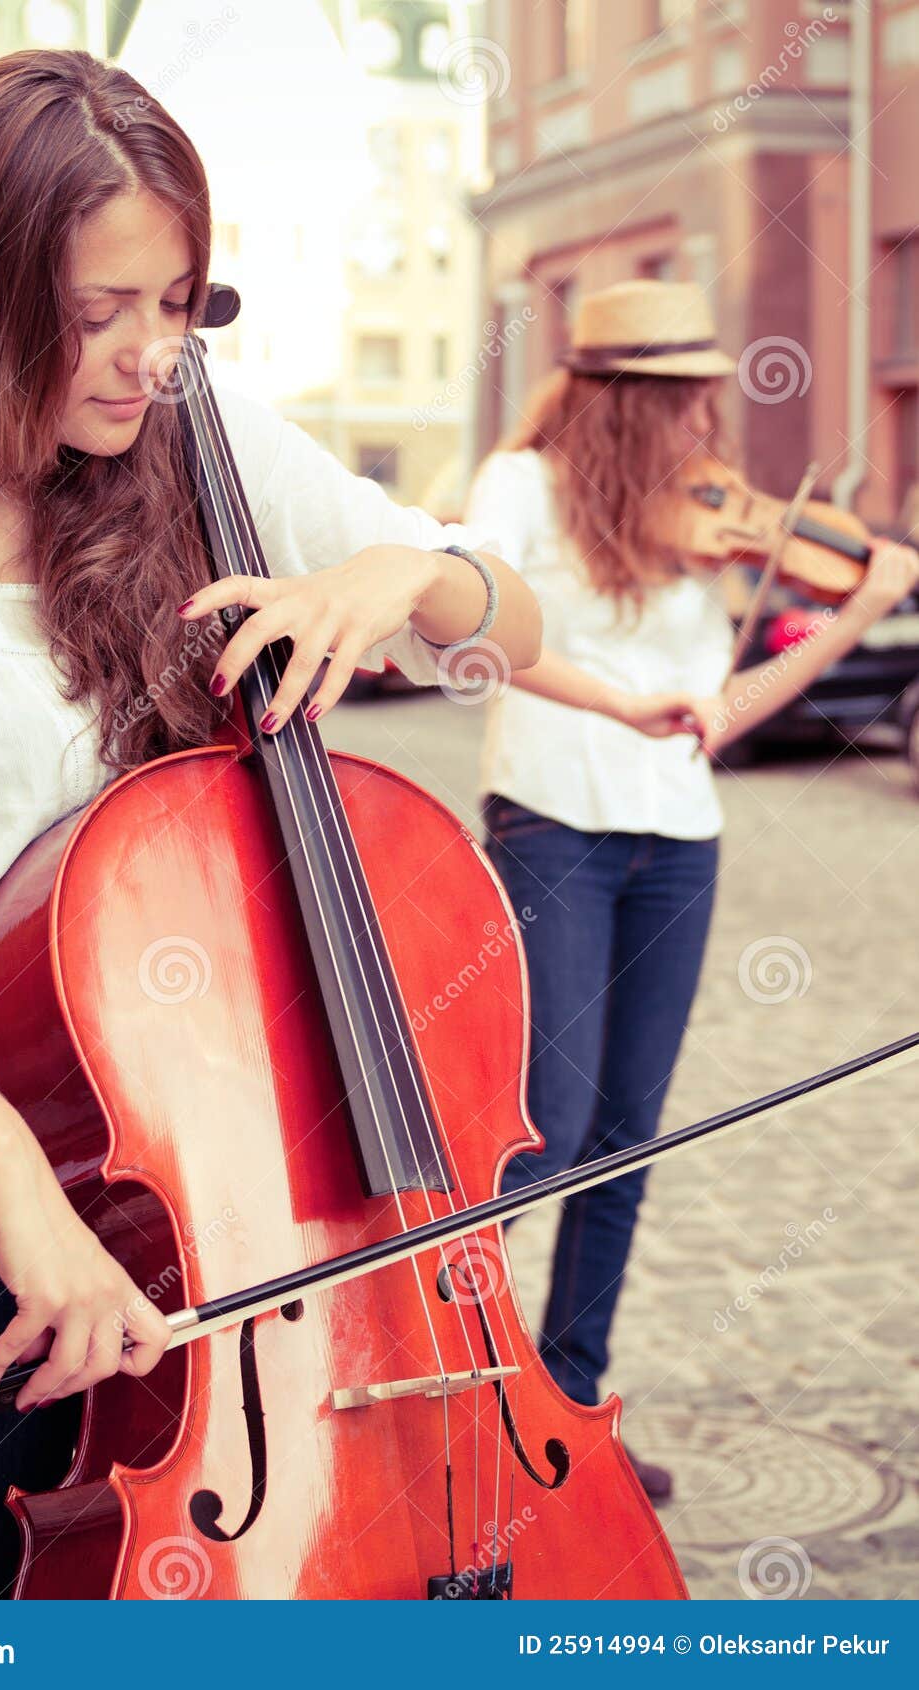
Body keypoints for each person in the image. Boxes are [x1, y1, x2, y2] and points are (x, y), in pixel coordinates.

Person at [0, 49, 542, 1601]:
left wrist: (409, 577)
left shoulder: (194, 455)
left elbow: (524, 625)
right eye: (99, 314)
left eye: (177, 304)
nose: (153, 356)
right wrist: (9, 1171)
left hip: (229, 1225)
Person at [465, 279, 919, 1502]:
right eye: (684, 400)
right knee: (540, 1130)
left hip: (679, 836)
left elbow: (718, 715)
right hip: (552, 821)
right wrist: (609, 700)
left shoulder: (706, 517)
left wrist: (861, 612)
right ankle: (457, 1400)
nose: (705, 426)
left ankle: (565, 1407)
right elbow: (475, 634)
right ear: (625, 400)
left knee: (625, 1135)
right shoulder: (521, 490)